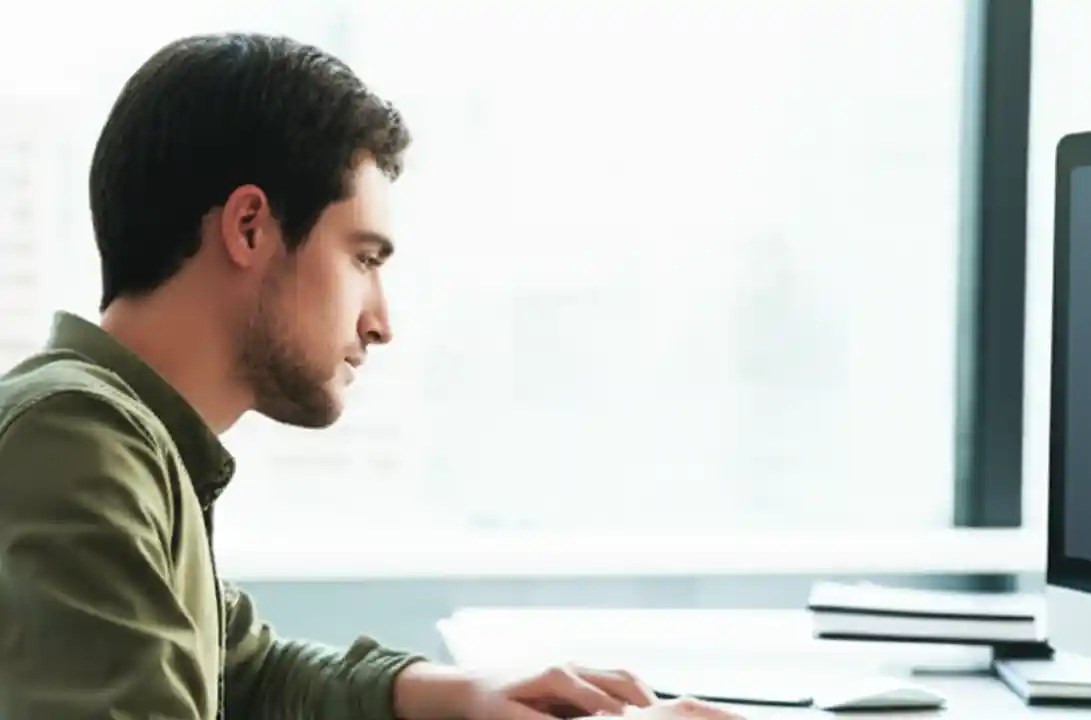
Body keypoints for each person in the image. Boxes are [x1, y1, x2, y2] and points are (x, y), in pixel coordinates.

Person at [0, 33, 744, 720]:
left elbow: (246, 671)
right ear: (249, 228)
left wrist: (472, 695)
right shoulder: (76, 443)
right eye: (364, 259)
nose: (380, 321)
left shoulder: (118, 439)